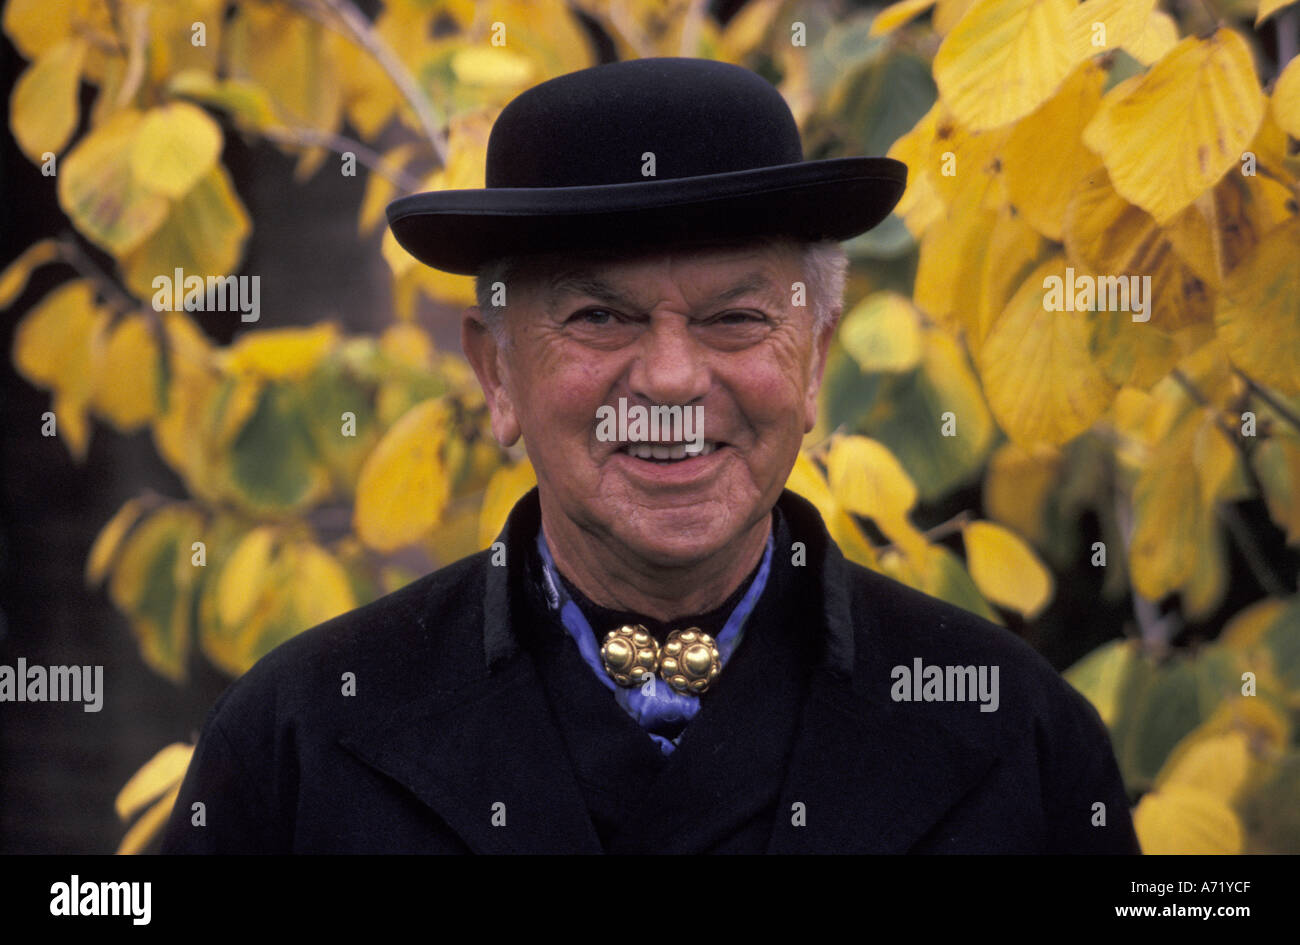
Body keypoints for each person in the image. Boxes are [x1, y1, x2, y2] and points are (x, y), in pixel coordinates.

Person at [161, 56, 1140, 854]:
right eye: (598, 315)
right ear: (496, 373)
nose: (671, 379)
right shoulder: (298, 741)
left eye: (735, 318)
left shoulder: (1018, 739)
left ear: (814, 365)